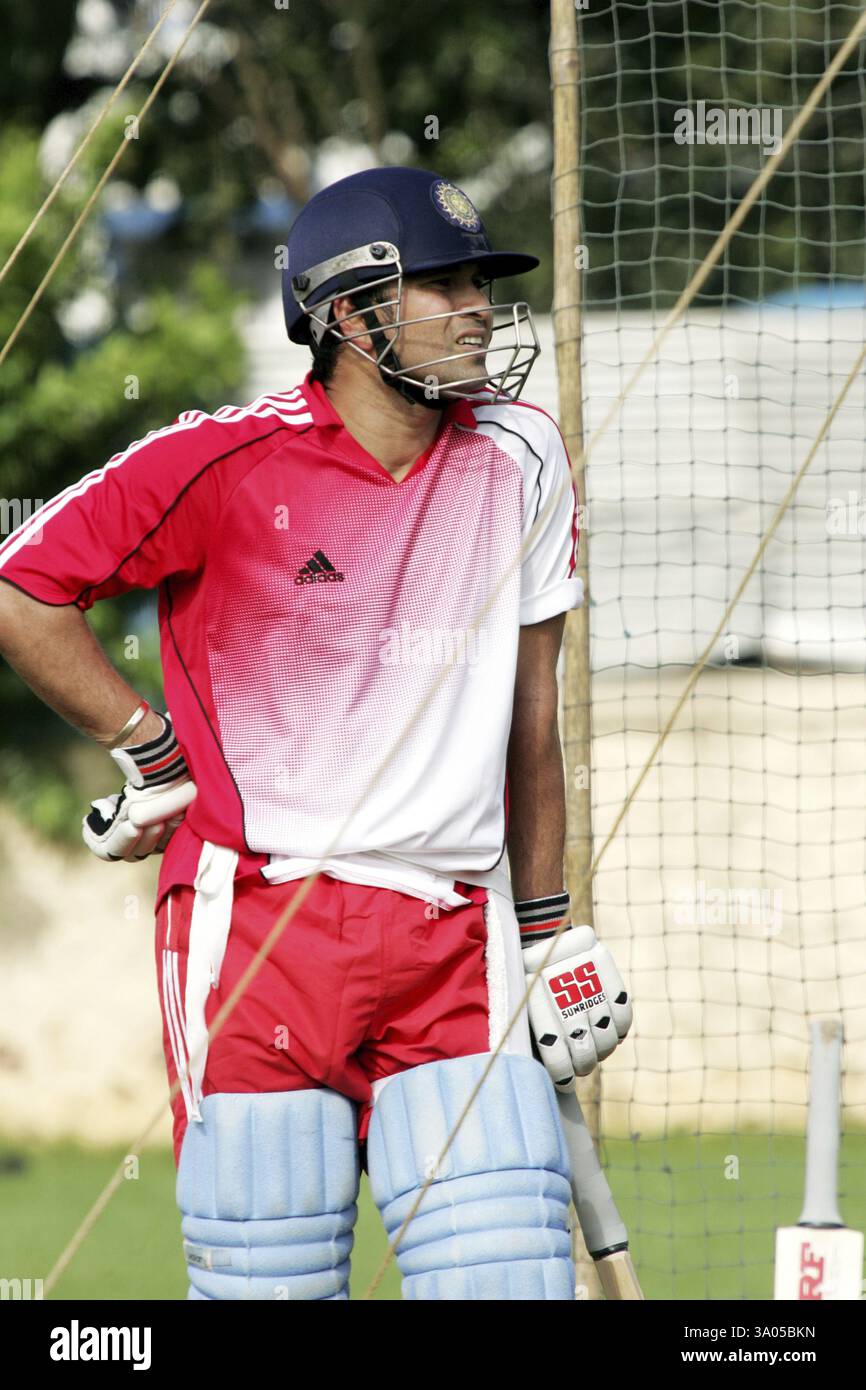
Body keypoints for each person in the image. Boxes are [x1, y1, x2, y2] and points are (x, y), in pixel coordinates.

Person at [0, 166, 631, 1300]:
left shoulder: (524, 453)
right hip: (259, 930)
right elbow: (22, 586)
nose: (479, 305)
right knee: (269, 1283)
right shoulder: (221, 460)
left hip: (453, 934)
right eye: (443, 283)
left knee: (508, 1280)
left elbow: (529, 723)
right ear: (349, 313)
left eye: (481, 279)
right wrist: (148, 751)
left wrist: (546, 934)